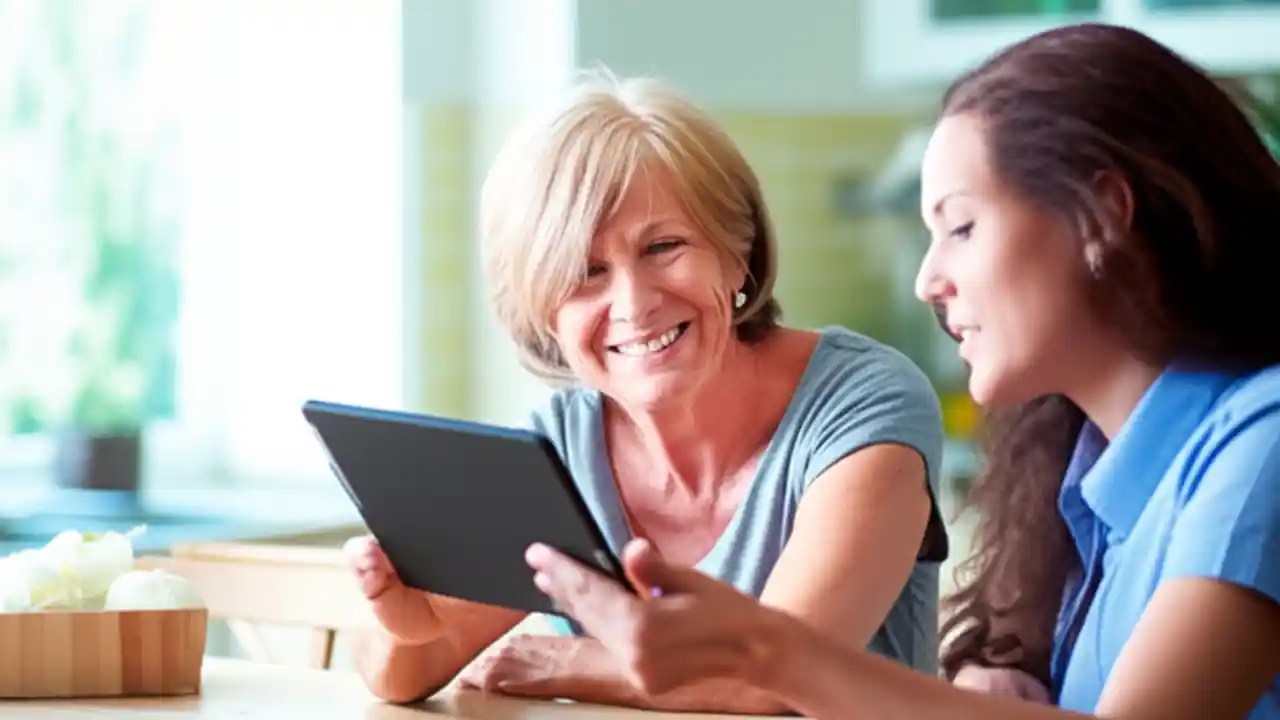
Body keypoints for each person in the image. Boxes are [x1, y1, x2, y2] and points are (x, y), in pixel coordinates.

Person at [524, 22, 1280, 720]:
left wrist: (765, 649)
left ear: (1099, 216)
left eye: (961, 227)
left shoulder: (1264, 445)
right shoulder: (1091, 475)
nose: (928, 280)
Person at [342, 71, 950, 713]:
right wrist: (402, 621)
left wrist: (576, 663)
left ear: (736, 253)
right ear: (542, 311)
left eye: (664, 247)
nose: (633, 303)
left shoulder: (864, 402)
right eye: (585, 273)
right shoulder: (561, 446)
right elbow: (403, 673)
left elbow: (788, 670)